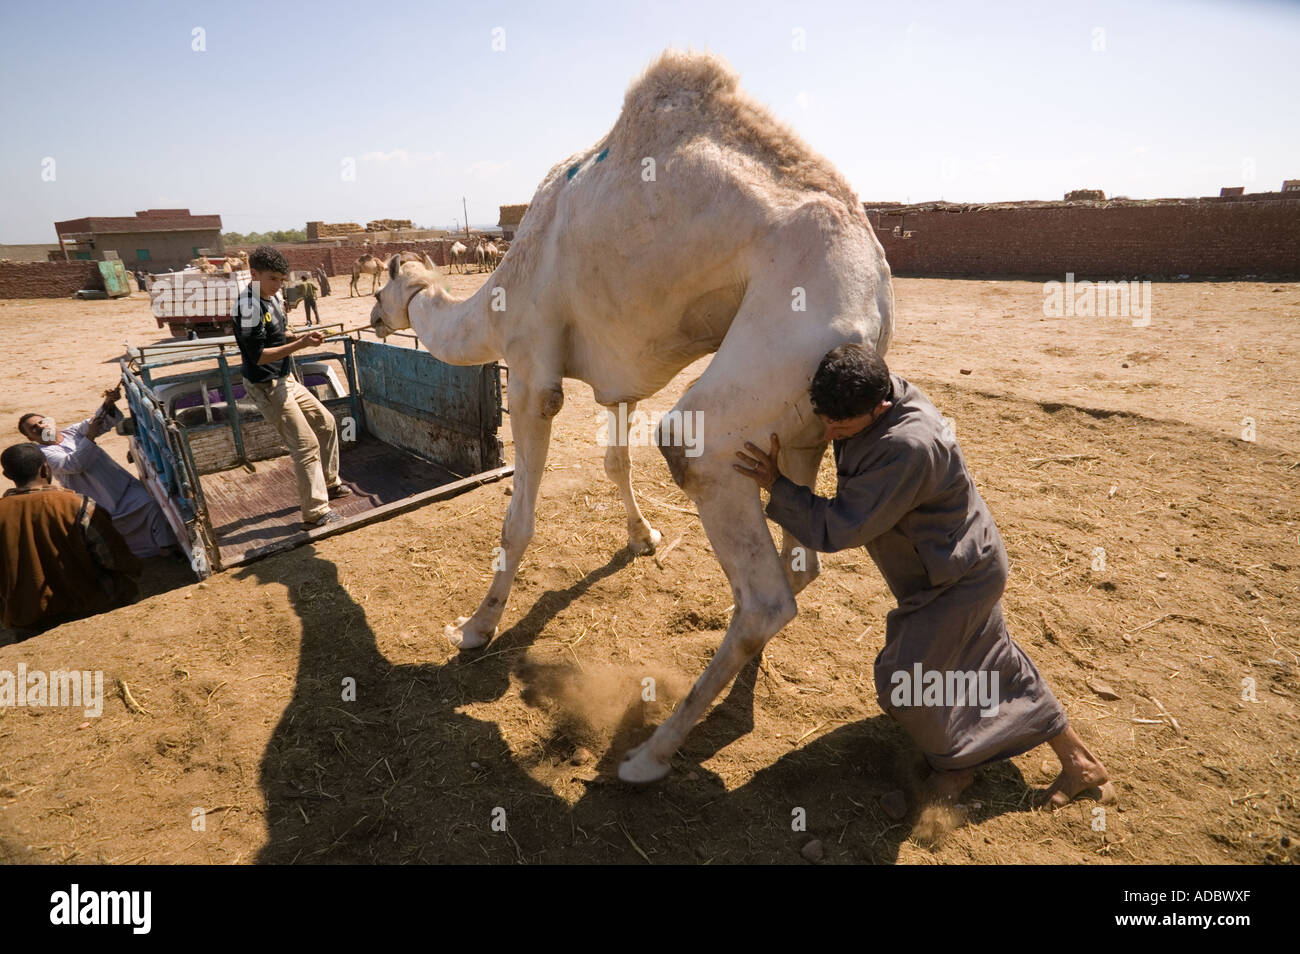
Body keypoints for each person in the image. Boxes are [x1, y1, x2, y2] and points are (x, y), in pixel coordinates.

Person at [733, 344, 1113, 810]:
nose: (829, 434)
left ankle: (956, 764)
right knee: (991, 659)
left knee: (904, 682)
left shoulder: (906, 447)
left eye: (841, 427)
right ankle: (1080, 762)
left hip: (955, 580)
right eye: (824, 420)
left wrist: (778, 485)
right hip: (961, 561)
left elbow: (839, 526)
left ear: (880, 408)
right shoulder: (872, 390)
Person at [233, 246, 350, 530]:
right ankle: (315, 513)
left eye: (282, 279)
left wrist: (295, 335)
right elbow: (259, 356)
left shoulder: (272, 298)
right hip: (266, 384)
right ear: (254, 274)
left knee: (326, 423)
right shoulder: (248, 307)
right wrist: (300, 344)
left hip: (286, 379)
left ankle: (330, 483)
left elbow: (274, 333)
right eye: (272, 279)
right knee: (305, 444)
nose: (278, 285)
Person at [0, 443, 140, 638]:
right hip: (90, 606)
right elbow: (114, 557)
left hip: (28, 619)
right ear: (45, 468)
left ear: (7, 475)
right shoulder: (77, 505)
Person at [18, 387, 177, 559]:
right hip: (95, 499)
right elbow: (74, 464)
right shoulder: (44, 454)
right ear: (30, 438)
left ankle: (166, 546)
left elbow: (99, 422)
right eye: (33, 428)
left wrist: (108, 403)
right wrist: (90, 437)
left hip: (121, 487)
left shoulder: (73, 432)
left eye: (41, 422)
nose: (40, 427)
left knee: (150, 505)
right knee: (107, 530)